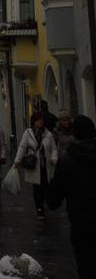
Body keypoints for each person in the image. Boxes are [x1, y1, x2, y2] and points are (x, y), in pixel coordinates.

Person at [46, 115, 96, 279]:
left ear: (75, 134)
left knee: (86, 266)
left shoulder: (68, 161)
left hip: (81, 223)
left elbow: (53, 200)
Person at [14, 111, 58, 216]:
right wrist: (17, 160)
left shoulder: (48, 134)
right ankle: (39, 207)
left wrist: (54, 158)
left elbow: (54, 148)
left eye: (41, 120)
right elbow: (22, 148)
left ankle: (44, 203)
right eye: (38, 120)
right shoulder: (28, 133)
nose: (40, 122)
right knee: (37, 187)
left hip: (46, 165)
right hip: (34, 165)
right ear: (33, 122)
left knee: (46, 185)